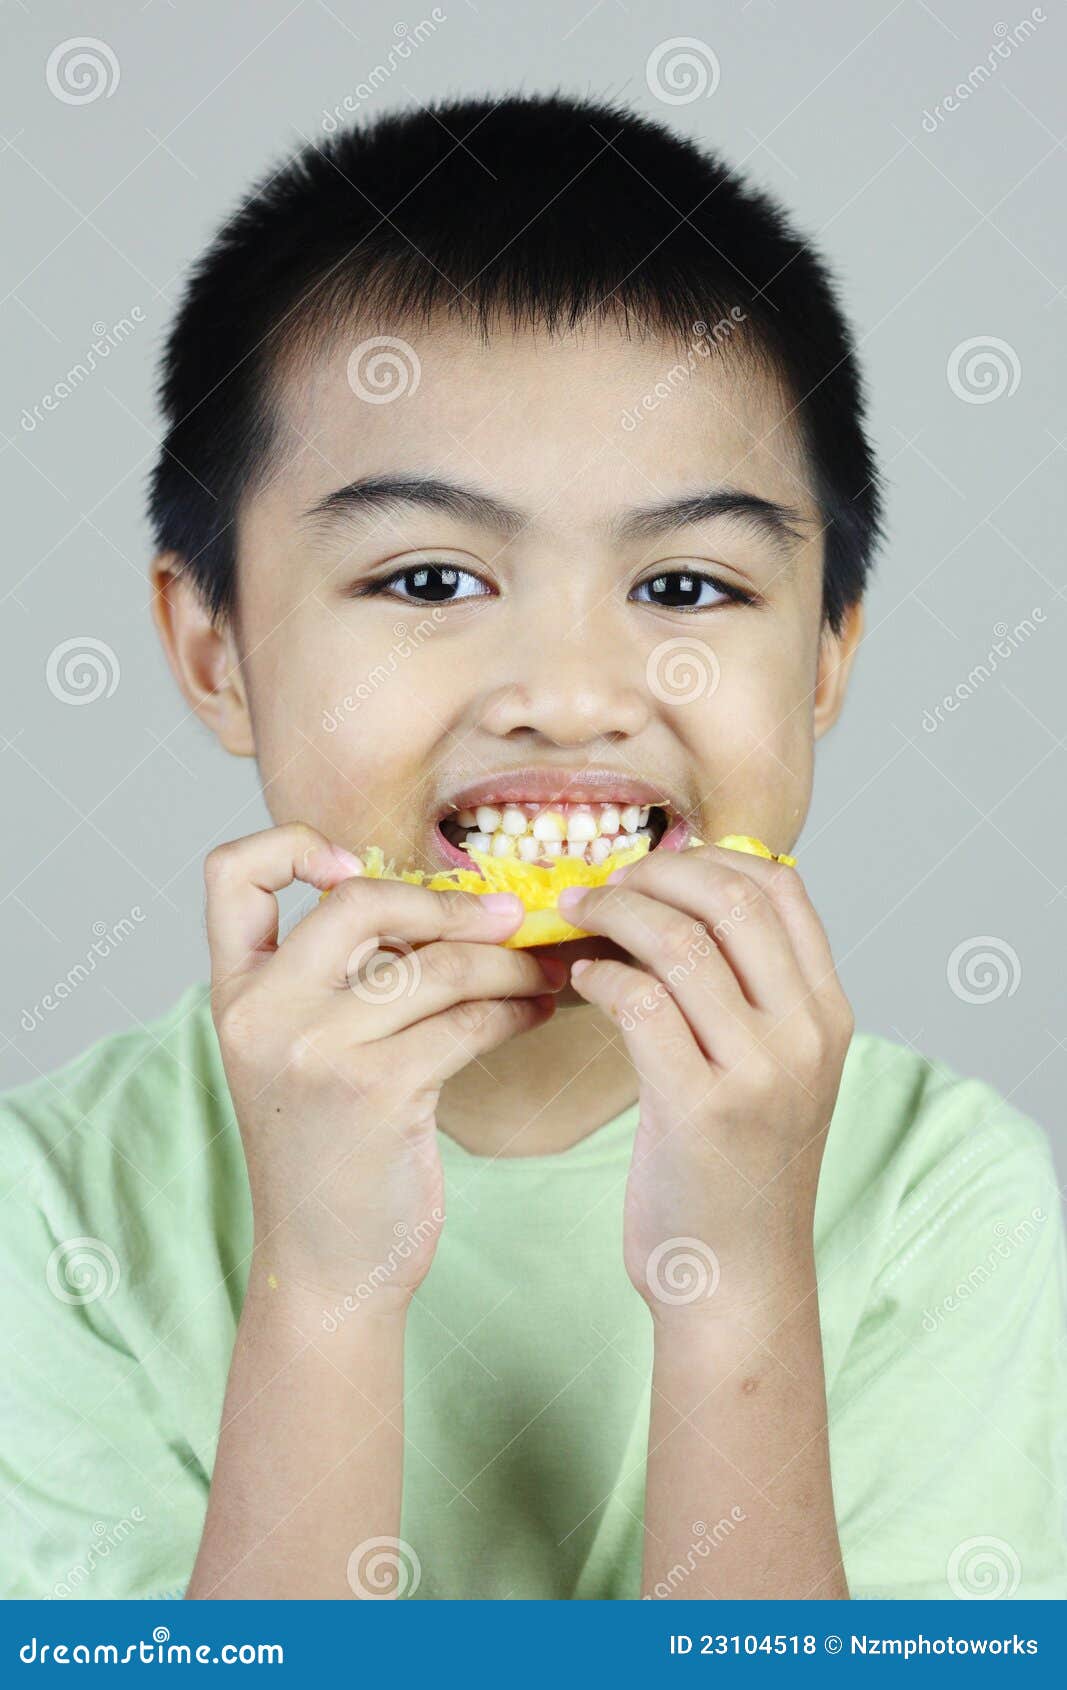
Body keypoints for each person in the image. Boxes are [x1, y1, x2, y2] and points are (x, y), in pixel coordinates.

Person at [3, 93, 1064, 1602]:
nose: (568, 692)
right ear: (214, 647)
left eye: (689, 587)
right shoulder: (50, 1206)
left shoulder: (948, 1194)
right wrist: (325, 1292)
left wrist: (742, 1287)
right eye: (432, 575)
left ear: (827, 659)